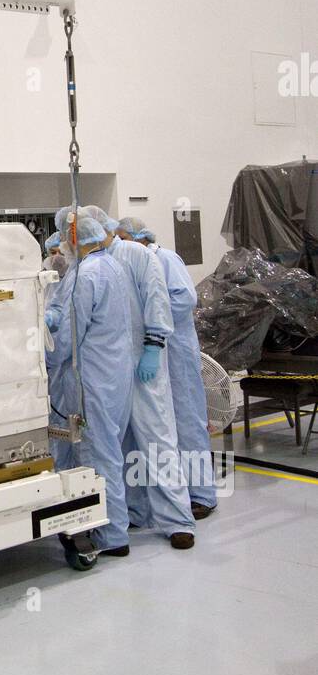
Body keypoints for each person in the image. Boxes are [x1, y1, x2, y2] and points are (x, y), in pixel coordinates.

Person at [76, 209, 193, 549]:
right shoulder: (92, 264)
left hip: (144, 363)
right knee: (122, 445)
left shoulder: (134, 254)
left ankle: (177, 520)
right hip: (111, 369)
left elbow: (157, 300)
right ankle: (135, 511)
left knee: (157, 439)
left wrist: (154, 346)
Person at [45, 212, 134, 556]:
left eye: (64, 239)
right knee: (109, 452)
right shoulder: (112, 266)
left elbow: (68, 336)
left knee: (97, 456)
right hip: (114, 375)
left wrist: (47, 358)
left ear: (73, 239)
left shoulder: (85, 274)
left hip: (91, 379)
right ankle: (114, 529)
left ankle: (111, 536)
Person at [119, 218, 216, 518]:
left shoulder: (166, 258)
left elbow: (184, 299)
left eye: (124, 237)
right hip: (151, 350)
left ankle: (202, 494)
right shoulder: (135, 263)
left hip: (176, 352)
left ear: (139, 236)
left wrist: (152, 324)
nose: (121, 244)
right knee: (156, 427)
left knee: (187, 420)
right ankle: (154, 498)